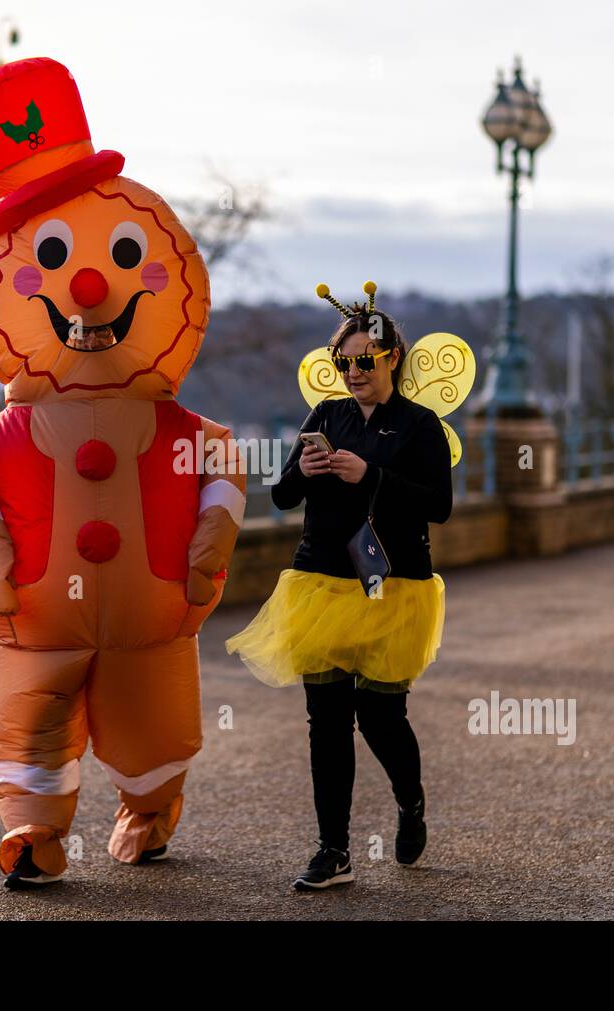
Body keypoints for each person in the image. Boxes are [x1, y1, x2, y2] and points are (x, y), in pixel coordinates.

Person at [225, 285, 452, 891]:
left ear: (392, 358)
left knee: (380, 715)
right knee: (325, 722)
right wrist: (306, 470)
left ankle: (410, 802)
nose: (353, 373)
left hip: (389, 585)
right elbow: (280, 495)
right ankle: (333, 851)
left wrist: (371, 475)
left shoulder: (420, 426)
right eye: (342, 363)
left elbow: (442, 505)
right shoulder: (327, 416)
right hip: (321, 581)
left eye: (364, 361)